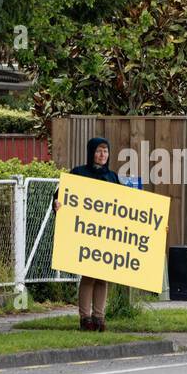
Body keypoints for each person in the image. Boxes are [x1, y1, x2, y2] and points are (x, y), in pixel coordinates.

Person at [53, 136, 121, 331]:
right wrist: (57, 204)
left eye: (105, 151)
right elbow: (60, 196)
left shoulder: (112, 177)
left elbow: (125, 207)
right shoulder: (79, 173)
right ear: (92, 152)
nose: (102, 155)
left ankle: (99, 317)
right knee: (89, 275)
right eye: (99, 151)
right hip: (86, 232)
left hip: (106, 233)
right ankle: (86, 318)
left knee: (102, 276)